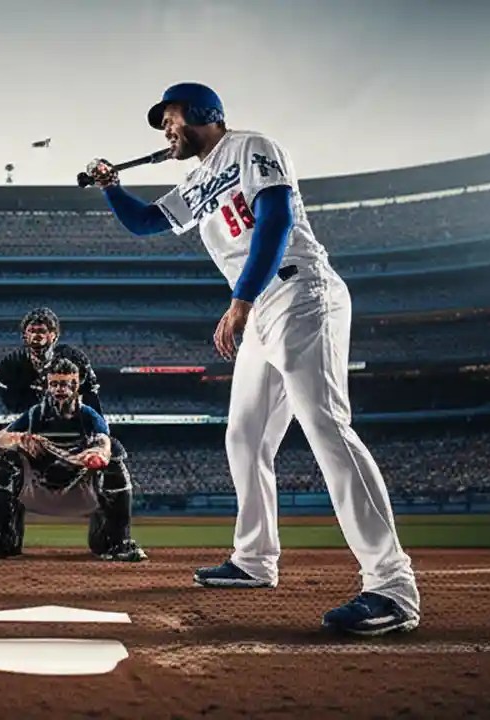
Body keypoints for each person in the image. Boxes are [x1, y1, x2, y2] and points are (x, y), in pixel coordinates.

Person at [84, 83, 419, 636]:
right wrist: (113, 188)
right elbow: (146, 222)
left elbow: (276, 220)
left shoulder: (250, 145)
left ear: (203, 114)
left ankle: (391, 585)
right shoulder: (193, 180)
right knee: (244, 436)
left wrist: (239, 301)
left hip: (298, 290)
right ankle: (254, 560)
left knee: (327, 428)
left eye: (170, 120)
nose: (166, 132)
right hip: (260, 304)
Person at [0, 307, 132, 558]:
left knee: (115, 454)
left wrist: (94, 440)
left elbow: (93, 405)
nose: (37, 337)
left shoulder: (74, 359)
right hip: (32, 426)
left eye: (42, 331)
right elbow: (14, 408)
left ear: (54, 335)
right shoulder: (12, 365)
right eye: (32, 331)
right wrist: (25, 436)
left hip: (76, 428)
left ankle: (115, 539)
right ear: (24, 335)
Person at [0, 358, 146, 561]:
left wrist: (97, 454)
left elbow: (104, 443)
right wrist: (20, 439)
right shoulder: (35, 415)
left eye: (67, 384)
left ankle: (118, 542)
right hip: (38, 487)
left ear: (77, 385)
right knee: (3, 462)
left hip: (80, 487)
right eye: (55, 384)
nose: (61, 389)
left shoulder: (89, 417)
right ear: (47, 386)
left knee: (115, 464)